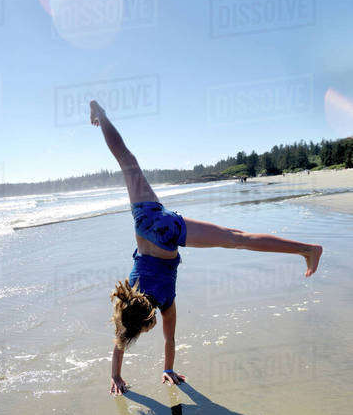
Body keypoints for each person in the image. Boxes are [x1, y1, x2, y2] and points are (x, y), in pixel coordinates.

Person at [89, 101, 323, 396]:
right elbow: (121, 337)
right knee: (126, 160)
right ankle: (102, 114)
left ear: (149, 316)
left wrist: (165, 369)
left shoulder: (164, 301)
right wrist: (123, 373)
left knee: (239, 239)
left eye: (147, 326)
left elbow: (166, 339)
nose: (148, 329)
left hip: (166, 234)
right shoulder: (127, 299)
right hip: (145, 222)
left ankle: (307, 250)